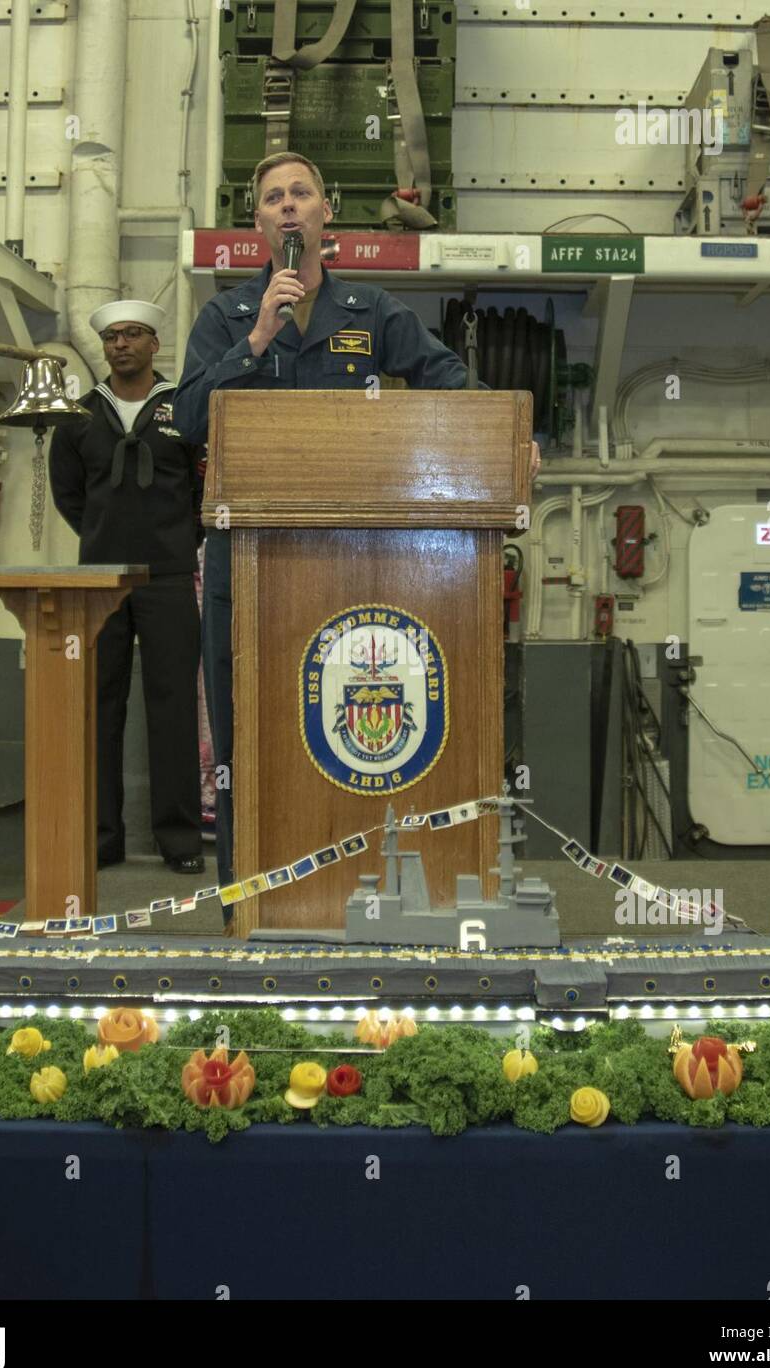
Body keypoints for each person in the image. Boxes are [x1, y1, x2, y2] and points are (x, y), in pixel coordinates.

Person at [173, 152, 538, 914]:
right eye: (272, 197)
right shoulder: (226, 318)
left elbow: (450, 382)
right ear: (258, 225)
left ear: (325, 212)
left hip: (353, 570)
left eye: (301, 192)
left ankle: (357, 893)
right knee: (248, 741)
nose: (288, 206)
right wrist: (256, 342)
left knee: (342, 734)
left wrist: (509, 439)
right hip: (248, 565)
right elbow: (186, 419)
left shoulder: (373, 313)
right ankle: (248, 902)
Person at [49, 299, 206, 873]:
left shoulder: (183, 409)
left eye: (134, 334)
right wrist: (102, 538)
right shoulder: (80, 416)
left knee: (172, 710)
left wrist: (177, 541)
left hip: (166, 577)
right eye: (113, 337)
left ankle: (180, 842)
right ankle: (101, 838)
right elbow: (69, 494)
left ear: (153, 344)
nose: (122, 345)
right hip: (101, 581)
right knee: (99, 708)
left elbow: (201, 490)